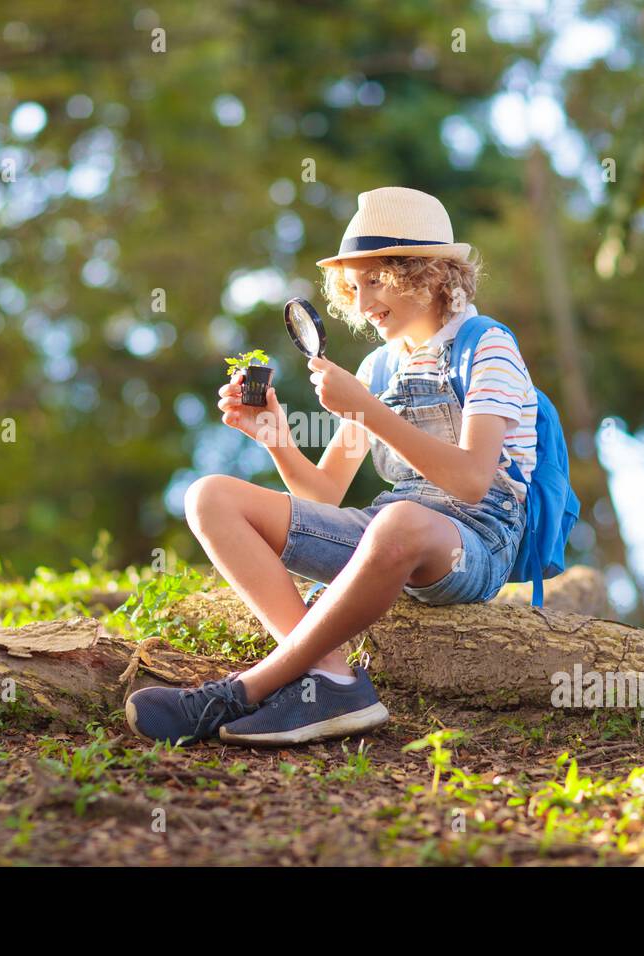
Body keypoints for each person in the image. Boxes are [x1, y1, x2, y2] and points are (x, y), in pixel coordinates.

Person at [126, 186, 538, 746]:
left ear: (428, 274)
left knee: (398, 522)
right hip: (389, 531)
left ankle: (244, 690)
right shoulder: (377, 367)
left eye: (377, 279)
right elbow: (323, 496)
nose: (362, 301)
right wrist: (274, 438)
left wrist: (366, 409)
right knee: (209, 497)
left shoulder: (486, 346)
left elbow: (471, 479)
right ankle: (332, 680)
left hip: (475, 539)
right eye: (354, 284)